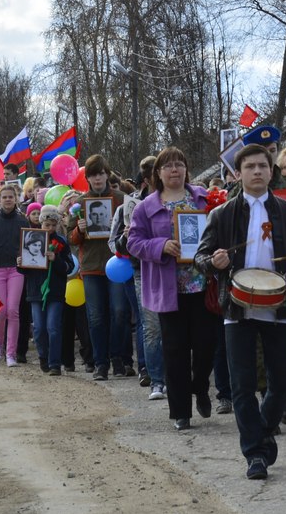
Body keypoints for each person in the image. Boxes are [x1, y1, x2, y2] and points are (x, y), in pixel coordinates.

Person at [194, 143, 286, 480]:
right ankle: (254, 453)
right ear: (238, 173)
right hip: (236, 308)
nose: (257, 172)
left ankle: (262, 432)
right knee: (242, 385)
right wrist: (214, 262)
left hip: (279, 306)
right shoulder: (221, 214)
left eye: (262, 166)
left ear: (272, 171)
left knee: (281, 385)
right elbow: (201, 258)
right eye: (250, 167)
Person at [131, 147, 214, 432]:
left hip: (203, 285)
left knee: (205, 347)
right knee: (175, 351)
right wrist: (160, 246)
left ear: (186, 169)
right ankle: (181, 411)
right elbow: (133, 242)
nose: (175, 170)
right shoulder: (146, 207)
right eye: (168, 166)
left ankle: (200, 387)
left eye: (179, 164)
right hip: (169, 289)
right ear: (158, 173)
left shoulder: (203, 198)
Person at [71, 154, 131, 380]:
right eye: (93, 174)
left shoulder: (121, 198)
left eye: (101, 173)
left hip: (117, 264)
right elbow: (71, 239)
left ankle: (117, 357)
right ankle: (100, 363)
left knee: (119, 312)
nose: (97, 178)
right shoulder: (79, 203)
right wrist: (79, 229)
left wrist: (126, 231)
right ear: (87, 177)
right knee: (95, 317)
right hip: (91, 267)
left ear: (107, 174)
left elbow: (134, 228)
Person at [113, 155, 166, 401]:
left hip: (172, 269)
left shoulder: (177, 201)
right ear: (146, 180)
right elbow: (121, 245)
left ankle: (173, 375)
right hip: (141, 270)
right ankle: (154, 377)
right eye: (154, 175)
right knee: (150, 325)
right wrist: (127, 236)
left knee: (172, 326)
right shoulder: (133, 206)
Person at [0, 184, 31, 367]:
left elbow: (28, 245)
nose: (8, 199)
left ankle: (11, 352)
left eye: (11, 197)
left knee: (13, 311)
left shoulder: (23, 221)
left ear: (16, 199)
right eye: (5, 197)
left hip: (16, 272)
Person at [20, 209, 72, 376]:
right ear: (40, 223)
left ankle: (55, 362)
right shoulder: (31, 238)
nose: (49, 228)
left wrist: (55, 259)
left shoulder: (61, 242)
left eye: (52, 225)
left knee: (53, 327)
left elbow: (68, 267)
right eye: (46, 224)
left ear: (57, 225)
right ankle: (43, 356)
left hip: (55, 291)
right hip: (36, 290)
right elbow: (24, 270)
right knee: (39, 328)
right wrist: (20, 263)